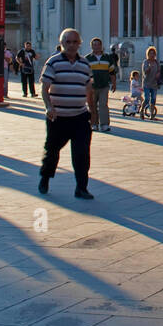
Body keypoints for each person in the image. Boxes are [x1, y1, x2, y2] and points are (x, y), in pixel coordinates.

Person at [38, 28, 94, 199]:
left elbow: (88, 89)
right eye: (67, 42)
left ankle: (81, 187)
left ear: (79, 44)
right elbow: (44, 88)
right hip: (58, 117)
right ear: (61, 43)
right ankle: (45, 177)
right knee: (52, 151)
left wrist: (93, 111)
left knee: (82, 153)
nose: (71, 45)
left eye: (74, 42)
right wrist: (48, 107)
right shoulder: (53, 62)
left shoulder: (85, 64)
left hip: (80, 117)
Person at [85, 38, 116, 132]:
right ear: (91, 46)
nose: (96, 46)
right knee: (92, 105)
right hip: (92, 87)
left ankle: (105, 124)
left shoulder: (107, 58)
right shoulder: (87, 58)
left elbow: (112, 72)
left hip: (104, 85)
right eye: (94, 45)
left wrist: (114, 83)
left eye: (98, 44)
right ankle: (94, 124)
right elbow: (84, 73)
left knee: (103, 105)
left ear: (101, 46)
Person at [141, 47, 161, 120]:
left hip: (154, 84)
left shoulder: (156, 62)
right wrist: (148, 69)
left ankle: (152, 114)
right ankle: (141, 110)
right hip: (147, 83)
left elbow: (159, 70)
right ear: (148, 54)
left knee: (153, 99)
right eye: (150, 53)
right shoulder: (146, 62)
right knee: (146, 99)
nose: (152, 55)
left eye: (153, 53)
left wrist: (158, 74)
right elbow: (144, 72)